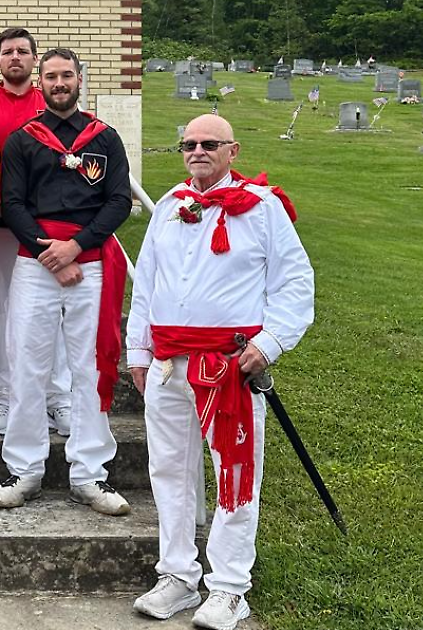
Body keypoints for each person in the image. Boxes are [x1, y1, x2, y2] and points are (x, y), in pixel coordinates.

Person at [125, 114, 313, 629]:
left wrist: (269, 343)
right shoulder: (167, 207)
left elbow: (295, 284)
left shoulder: (263, 208)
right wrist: (138, 352)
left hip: (228, 368)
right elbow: (147, 288)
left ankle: (229, 588)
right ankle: (178, 577)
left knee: (234, 475)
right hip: (167, 365)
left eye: (210, 143)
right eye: (189, 143)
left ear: (233, 151)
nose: (198, 150)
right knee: (168, 470)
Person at [0, 48, 133, 516]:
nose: (59, 82)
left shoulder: (105, 138)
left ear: (78, 80)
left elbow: (118, 202)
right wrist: (50, 252)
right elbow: (12, 204)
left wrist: (76, 247)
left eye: (67, 75)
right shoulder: (22, 140)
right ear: (40, 82)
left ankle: (89, 473)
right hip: (35, 262)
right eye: (51, 76)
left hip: (89, 262)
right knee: (27, 363)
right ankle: (25, 469)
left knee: (89, 366)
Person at [0, 28, 73, 438]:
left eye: (23, 52)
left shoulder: (54, 106)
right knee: (2, 313)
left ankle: (57, 398)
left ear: (35, 61)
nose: (15, 57)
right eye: (8, 51)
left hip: (47, 229)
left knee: (53, 313)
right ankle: (5, 398)